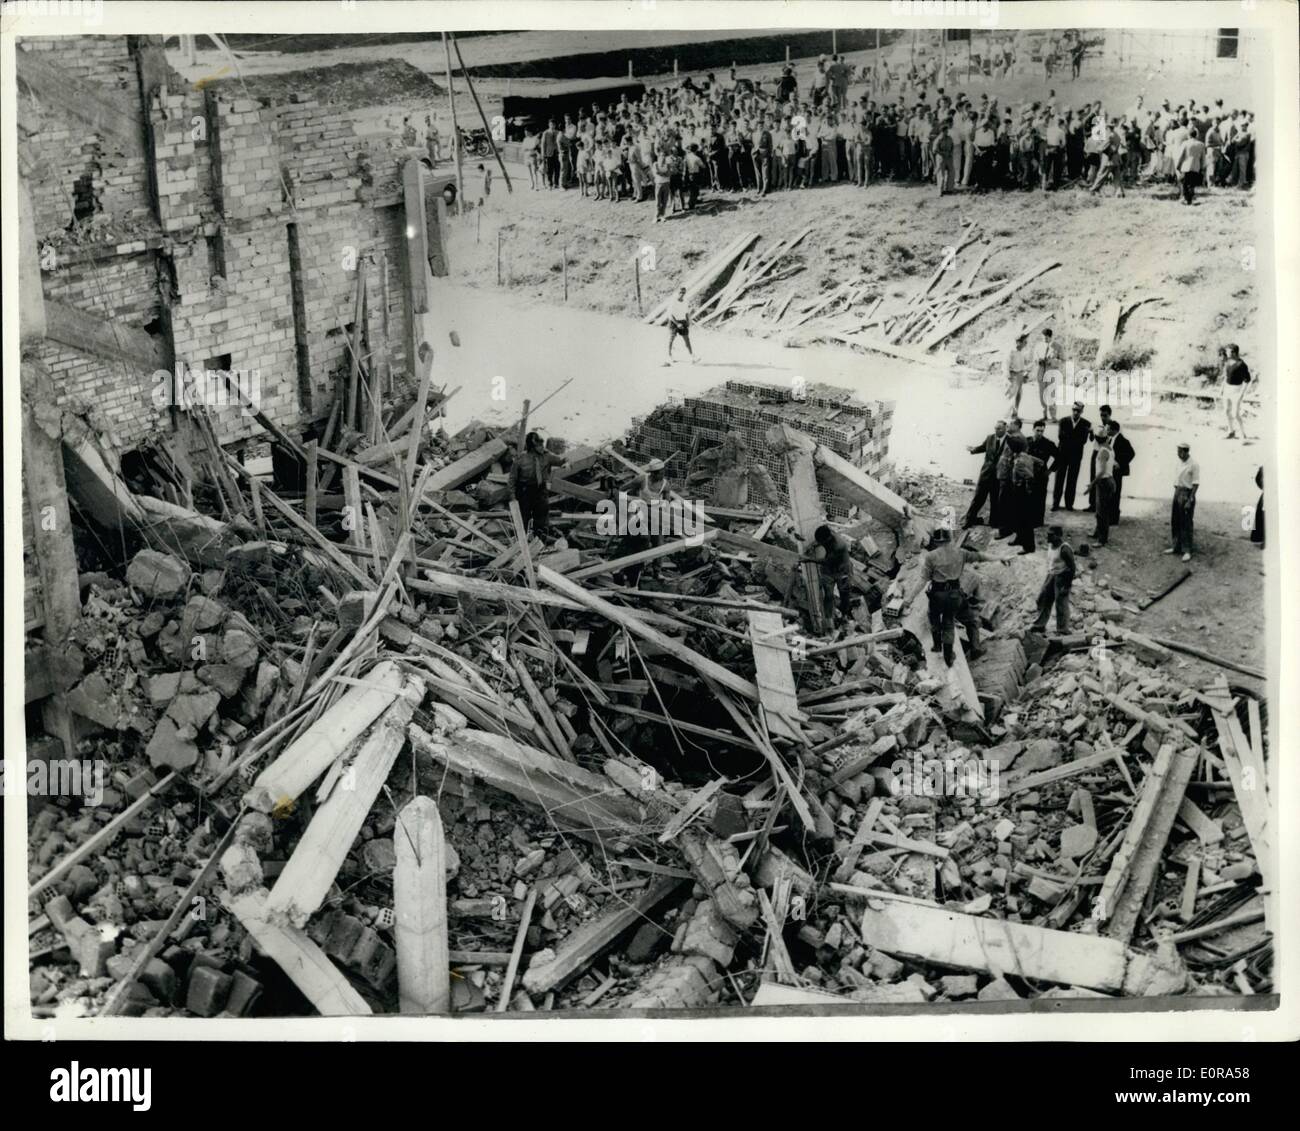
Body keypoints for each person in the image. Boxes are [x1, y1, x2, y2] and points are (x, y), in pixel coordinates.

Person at [906, 526, 1006, 666]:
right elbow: (981, 556)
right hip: (953, 594)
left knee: (934, 620)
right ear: (950, 539)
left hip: (936, 594)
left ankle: (937, 646)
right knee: (967, 622)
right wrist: (1000, 557)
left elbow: (923, 580)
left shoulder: (930, 557)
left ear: (936, 541)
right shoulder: (960, 553)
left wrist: (909, 599)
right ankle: (965, 653)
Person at [509, 431, 565, 538]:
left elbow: (562, 460)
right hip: (524, 492)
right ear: (532, 447)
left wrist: (567, 462)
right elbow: (512, 479)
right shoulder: (520, 459)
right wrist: (512, 497)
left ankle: (540, 541)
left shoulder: (547, 456)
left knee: (541, 520)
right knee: (523, 520)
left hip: (540, 491)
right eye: (539, 445)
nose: (542, 447)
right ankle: (522, 542)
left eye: (542, 445)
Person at [801, 524, 855, 625]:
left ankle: (844, 616)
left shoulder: (838, 546)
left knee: (844, 594)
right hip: (829, 570)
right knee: (828, 594)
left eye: (822, 542)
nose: (820, 544)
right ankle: (829, 620)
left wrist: (809, 560)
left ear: (828, 538)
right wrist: (812, 545)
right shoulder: (827, 532)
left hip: (842, 569)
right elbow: (819, 541)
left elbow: (826, 561)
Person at [1030, 526, 1076, 635]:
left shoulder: (1064, 549)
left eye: (1051, 535)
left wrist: (1067, 585)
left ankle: (1062, 629)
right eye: (1048, 535)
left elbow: (1072, 568)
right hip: (1051, 575)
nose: (1048, 537)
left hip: (1062, 576)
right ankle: (1040, 625)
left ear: (1058, 536)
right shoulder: (1051, 545)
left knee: (1061, 603)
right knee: (1044, 598)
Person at [963, 419, 1007, 527]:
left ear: (1005, 429)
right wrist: (972, 450)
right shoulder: (990, 438)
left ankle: (994, 522)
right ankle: (969, 520)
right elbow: (982, 448)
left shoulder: (1009, 441)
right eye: (995, 428)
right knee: (978, 498)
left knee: (995, 500)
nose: (996, 430)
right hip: (985, 474)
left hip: (998, 476)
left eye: (999, 428)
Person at [1053, 401, 1092, 510]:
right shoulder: (1063, 421)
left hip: (1076, 456)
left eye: (1078, 410)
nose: (1075, 412)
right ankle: (1055, 503)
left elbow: (1084, 440)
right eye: (1074, 410)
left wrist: (1070, 438)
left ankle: (1069, 504)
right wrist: (1076, 439)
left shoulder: (1086, 423)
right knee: (1059, 479)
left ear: (1082, 411)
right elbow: (1061, 436)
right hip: (1063, 455)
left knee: (1072, 480)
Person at [1166, 442, 1199, 562]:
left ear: (1186, 451)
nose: (1178, 454)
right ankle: (1176, 546)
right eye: (1178, 451)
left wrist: (1190, 499)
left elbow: (1195, 483)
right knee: (1175, 521)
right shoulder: (1179, 463)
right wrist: (1177, 492)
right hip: (1178, 492)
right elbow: (1177, 479)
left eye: (1180, 451)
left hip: (1187, 493)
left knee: (1186, 523)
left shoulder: (1194, 464)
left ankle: (1187, 550)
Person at [1026, 418, 1058, 528]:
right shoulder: (1027, 441)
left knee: (1039, 498)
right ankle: (1026, 519)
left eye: (1042, 431)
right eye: (1038, 430)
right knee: (1026, 497)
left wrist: (1050, 471)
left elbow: (1059, 458)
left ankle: (1038, 522)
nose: (1040, 433)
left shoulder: (1048, 444)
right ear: (1033, 429)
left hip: (1041, 475)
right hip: (1027, 473)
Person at [1220, 342, 1253, 438]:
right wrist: (1222, 388)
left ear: (1234, 353)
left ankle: (1243, 434)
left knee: (1235, 414)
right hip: (1227, 389)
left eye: (1228, 352)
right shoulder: (1228, 362)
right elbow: (1226, 376)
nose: (1226, 353)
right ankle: (1231, 432)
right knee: (1226, 411)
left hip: (1237, 390)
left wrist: (1241, 395)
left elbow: (1247, 380)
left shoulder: (1241, 365)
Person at [1088, 432, 1115, 546]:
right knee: (1101, 510)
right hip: (1109, 480)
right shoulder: (1110, 448)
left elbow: (1102, 471)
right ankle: (1097, 532)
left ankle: (1102, 539)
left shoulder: (1102, 451)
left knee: (1102, 512)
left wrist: (1092, 484)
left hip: (1104, 482)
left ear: (1096, 440)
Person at [1105, 418, 1135, 524]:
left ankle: (1114, 518)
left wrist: (1120, 463)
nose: (1107, 430)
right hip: (1110, 471)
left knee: (1115, 493)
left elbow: (1131, 453)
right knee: (1110, 493)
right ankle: (1110, 516)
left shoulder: (1123, 440)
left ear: (1114, 430)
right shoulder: (1110, 439)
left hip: (1117, 472)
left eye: (1108, 429)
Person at [1032, 328, 1061, 421]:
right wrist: (1038, 360)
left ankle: (1053, 416)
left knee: (1052, 394)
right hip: (1041, 372)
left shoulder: (1057, 346)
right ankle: (1044, 415)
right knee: (1042, 394)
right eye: (1043, 337)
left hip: (1052, 373)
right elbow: (1034, 358)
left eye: (1047, 337)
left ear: (1050, 337)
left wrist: (1052, 361)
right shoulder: (1038, 346)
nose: (1045, 339)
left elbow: (1063, 360)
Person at [1003, 330, 1033, 414]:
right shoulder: (1011, 351)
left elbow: (1022, 365)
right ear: (1018, 342)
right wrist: (1008, 377)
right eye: (1024, 342)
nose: (1026, 344)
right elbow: (1005, 365)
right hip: (1013, 375)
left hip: (1020, 375)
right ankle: (1007, 416)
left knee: (1018, 396)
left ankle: (1014, 414)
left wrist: (1025, 374)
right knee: (1011, 396)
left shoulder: (1021, 352)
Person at [1176, 126, 1207, 205]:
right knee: (1192, 184)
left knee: (1184, 183)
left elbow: (1180, 156)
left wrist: (1178, 165)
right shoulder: (1201, 144)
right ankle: (1190, 199)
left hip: (1186, 166)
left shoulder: (1185, 143)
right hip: (1196, 166)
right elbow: (1203, 158)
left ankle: (1185, 198)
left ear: (1188, 135)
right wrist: (1202, 168)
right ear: (1196, 135)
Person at [665, 286, 696, 364]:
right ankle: (669, 355)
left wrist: (688, 321)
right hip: (674, 322)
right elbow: (670, 315)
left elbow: (686, 312)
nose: (682, 294)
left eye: (683, 293)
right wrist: (677, 324)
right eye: (680, 292)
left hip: (683, 321)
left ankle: (692, 356)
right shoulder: (673, 301)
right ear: (677, 293)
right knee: (672, 338)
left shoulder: (685, 301)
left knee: (687, 339)